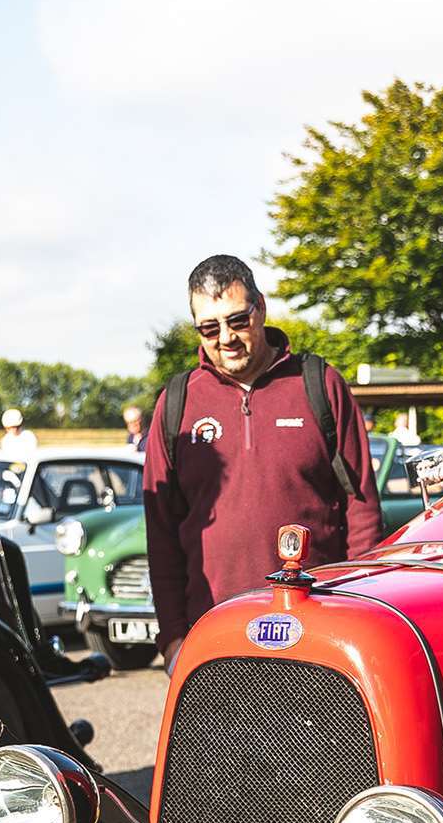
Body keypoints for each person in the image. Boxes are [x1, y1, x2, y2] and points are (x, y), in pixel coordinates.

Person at [140, 255, 383, 657]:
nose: (226, 337)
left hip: (317, 629)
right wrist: (172, 637)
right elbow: (161, 532)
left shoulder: (319, 384)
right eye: (209, 328)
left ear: (261, 308)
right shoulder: (178, 403)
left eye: (238, 320)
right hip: (214, 632)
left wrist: (357, 614)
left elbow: (363, 512)